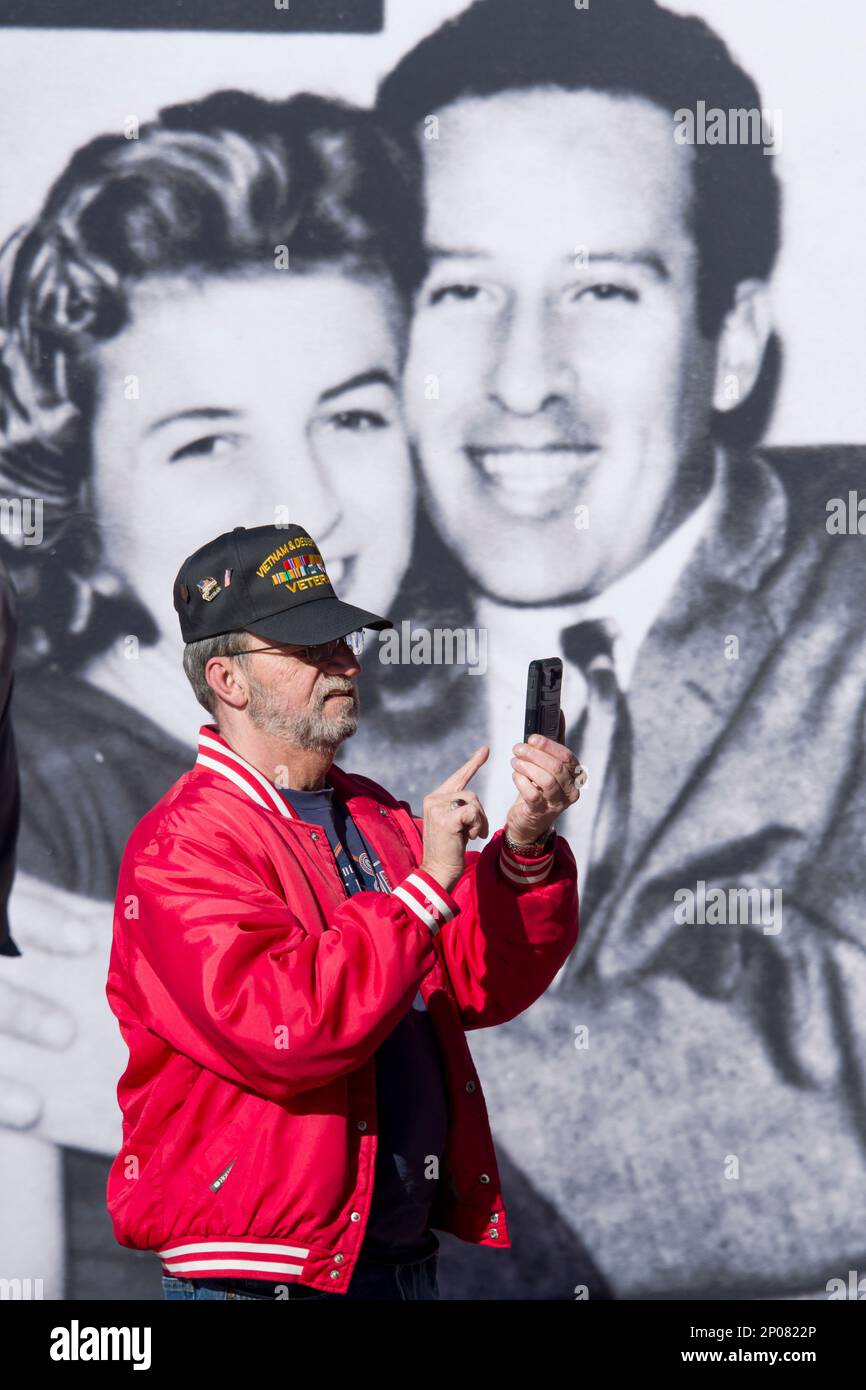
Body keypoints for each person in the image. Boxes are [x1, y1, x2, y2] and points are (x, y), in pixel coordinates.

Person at [374, 0, 866, 1298]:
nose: (523, 377)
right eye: (461, 288)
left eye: (601, 288)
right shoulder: (305, 654)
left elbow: (836, 1077)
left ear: (733, 344)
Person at [0, 88, 426, 1297]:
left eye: (350, 414)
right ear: (78, 506)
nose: (308, 508)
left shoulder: (338, 778)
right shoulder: (51, 785)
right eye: (206, 441)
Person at [105, 520, 580, 1300]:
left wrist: (524, 847)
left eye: (343, 640)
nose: (346, 663)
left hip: (393, 1261)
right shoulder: (181, 844)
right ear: (228, 679)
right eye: (311, 648)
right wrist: (426, 887)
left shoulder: (374, 814)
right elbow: (291, 1028)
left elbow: (475, 985)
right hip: (255, 1281)